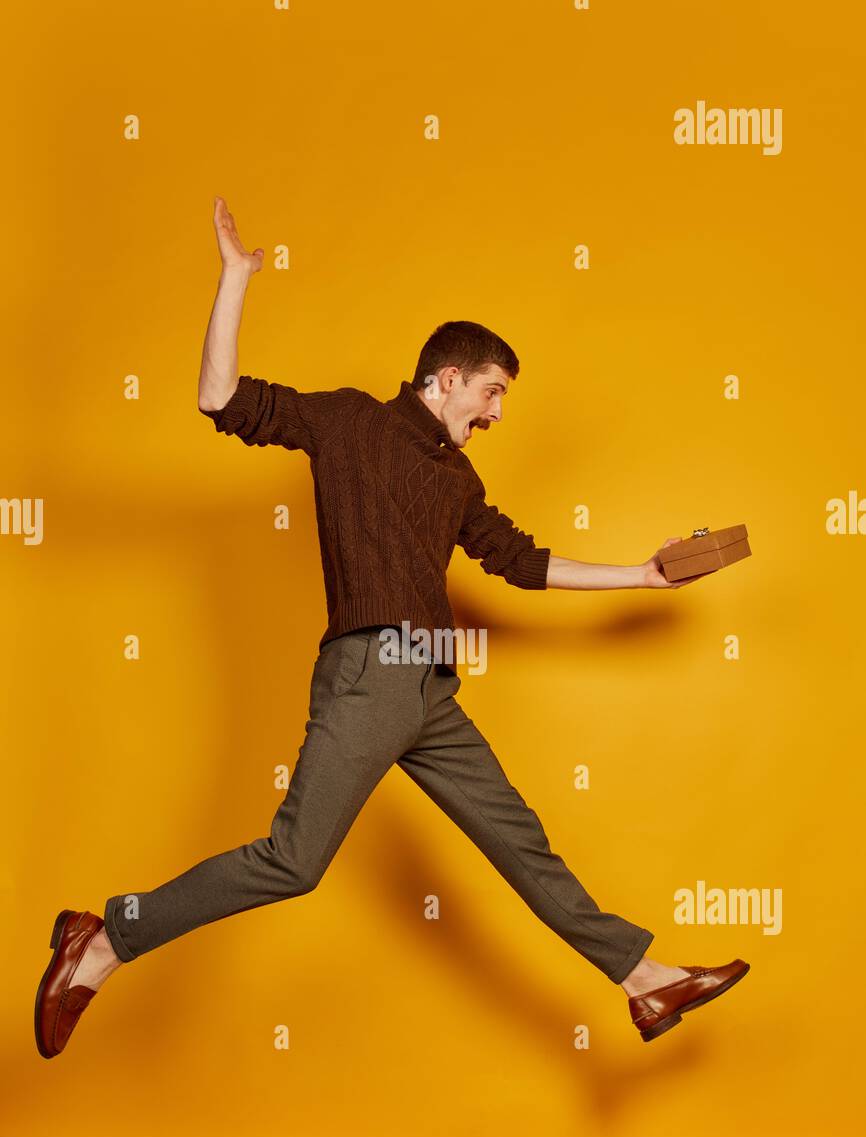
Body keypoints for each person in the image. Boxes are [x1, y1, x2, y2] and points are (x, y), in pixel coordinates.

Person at [34, 196, 749, 1060]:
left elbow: (522, 561)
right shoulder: (348, 424)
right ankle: (108, 937)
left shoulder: (458, 483)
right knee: (294, 862)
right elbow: (218, 398)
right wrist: (234, 281)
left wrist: (641, 572)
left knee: (521, 841)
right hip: (370, 673)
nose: (495, 415)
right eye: (491, 392)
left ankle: (643, 980)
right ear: (446, 377)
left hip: (430, 688)